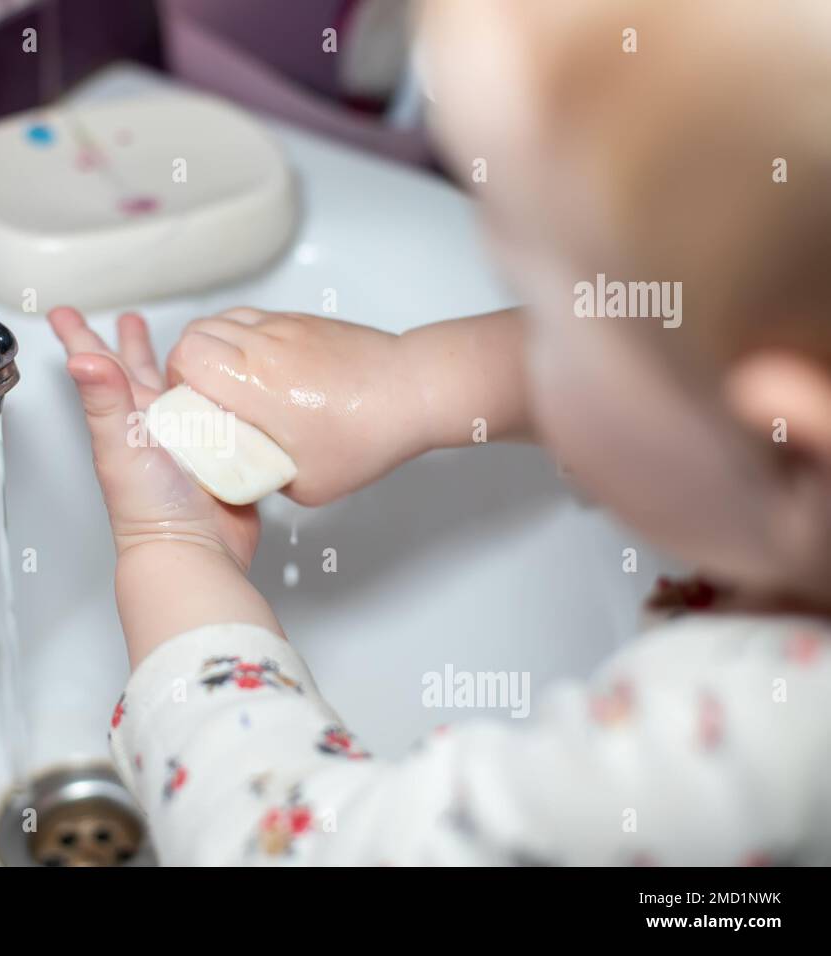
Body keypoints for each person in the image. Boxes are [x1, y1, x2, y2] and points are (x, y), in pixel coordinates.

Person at [45, 0, 831, 864]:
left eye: (559, 322)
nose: (527, 334)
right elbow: (682, 343)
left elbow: (296, 850)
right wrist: (419, 382)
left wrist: (172, 549)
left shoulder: (725, 755)